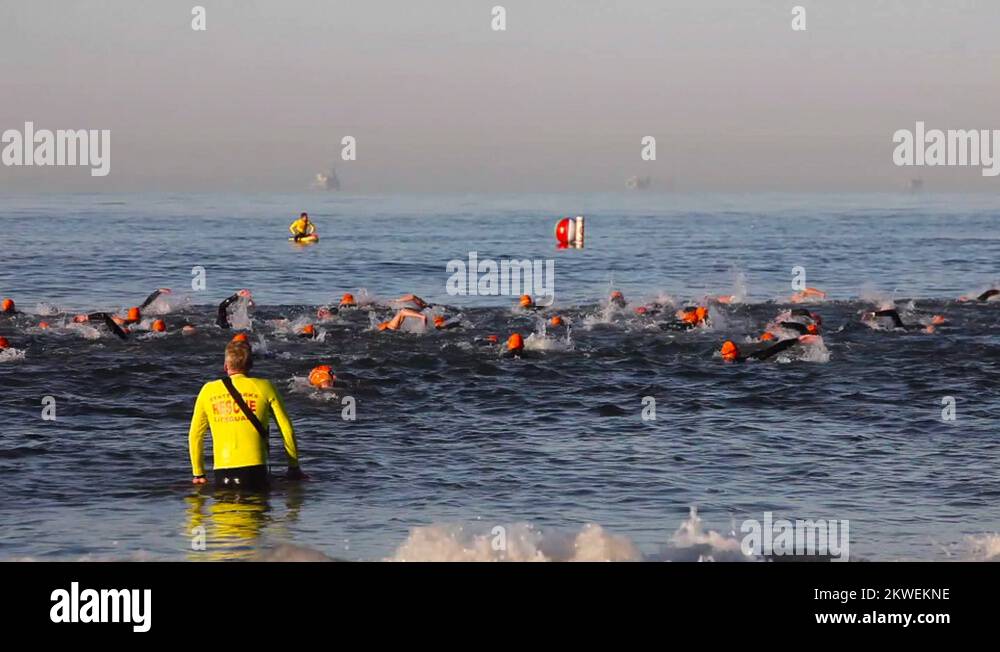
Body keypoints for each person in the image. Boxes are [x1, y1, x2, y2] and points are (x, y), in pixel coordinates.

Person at [188, 341, 304, 489]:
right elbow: (286, 429)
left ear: (226, 366)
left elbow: (195, 435)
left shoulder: (208, 390)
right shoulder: (265, 386)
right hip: (255, 472)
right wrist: (294, 467)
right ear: (250, 365)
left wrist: (199, 474)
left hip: (222, 474)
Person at [720, 335, 817, 363]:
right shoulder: (750, 358)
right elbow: (774, 349)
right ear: (738, 352)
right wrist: (797, 339)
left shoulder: (719, 363)